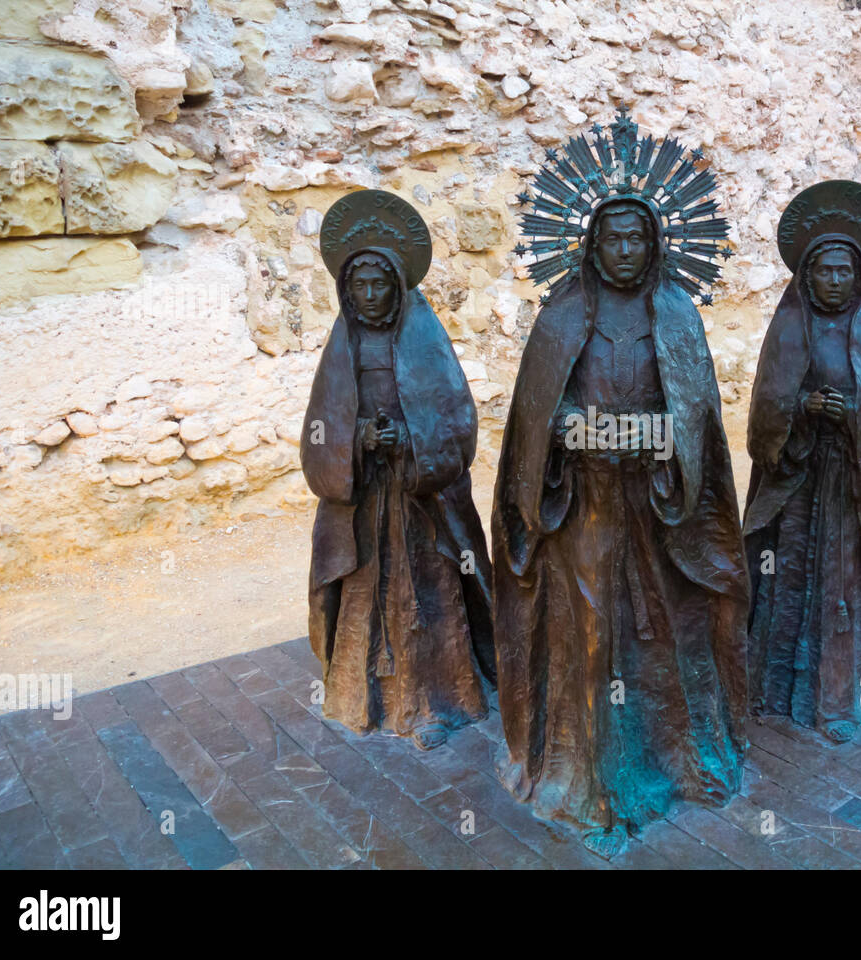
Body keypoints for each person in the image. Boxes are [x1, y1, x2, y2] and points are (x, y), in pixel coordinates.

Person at [493, 144, 750, 859]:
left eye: (639, 236)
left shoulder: (676, 314)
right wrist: (573, 432)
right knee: (589, 631)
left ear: (657, 243)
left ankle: (674, 763)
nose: (627, 249)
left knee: (665, 629)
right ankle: (586, 778)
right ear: (592, 242)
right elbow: (533, 424)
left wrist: (659, 437)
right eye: (614, 236)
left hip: (661, 508)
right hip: (582, 506)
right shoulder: (561, 319)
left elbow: (699, 419)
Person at [301, 192, 495, 749]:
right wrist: (357, 439)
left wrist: (410, 440)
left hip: (420, 502)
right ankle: (359, 699)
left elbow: (457, 421)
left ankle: (437, 702)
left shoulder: (426, 339)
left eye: (379, 284)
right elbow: (318, 431)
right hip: (364, 499)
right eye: (358, 284)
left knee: (428, 596)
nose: (367, 295)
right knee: (366, 593)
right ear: (345, 288)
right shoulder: (341, 346)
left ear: (398, 286)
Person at [744, 180, 861, 744]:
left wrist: (851, 417)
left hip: (849, 485)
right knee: (785, 578)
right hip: (797, 480)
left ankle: (836, 697)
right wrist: (803, 410)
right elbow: (765, 414)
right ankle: (774, 691)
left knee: (841, 585)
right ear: (807, 275)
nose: (836, 281)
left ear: (858, 276)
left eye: (846, 272)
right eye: (825, 272)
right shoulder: (790, 327)